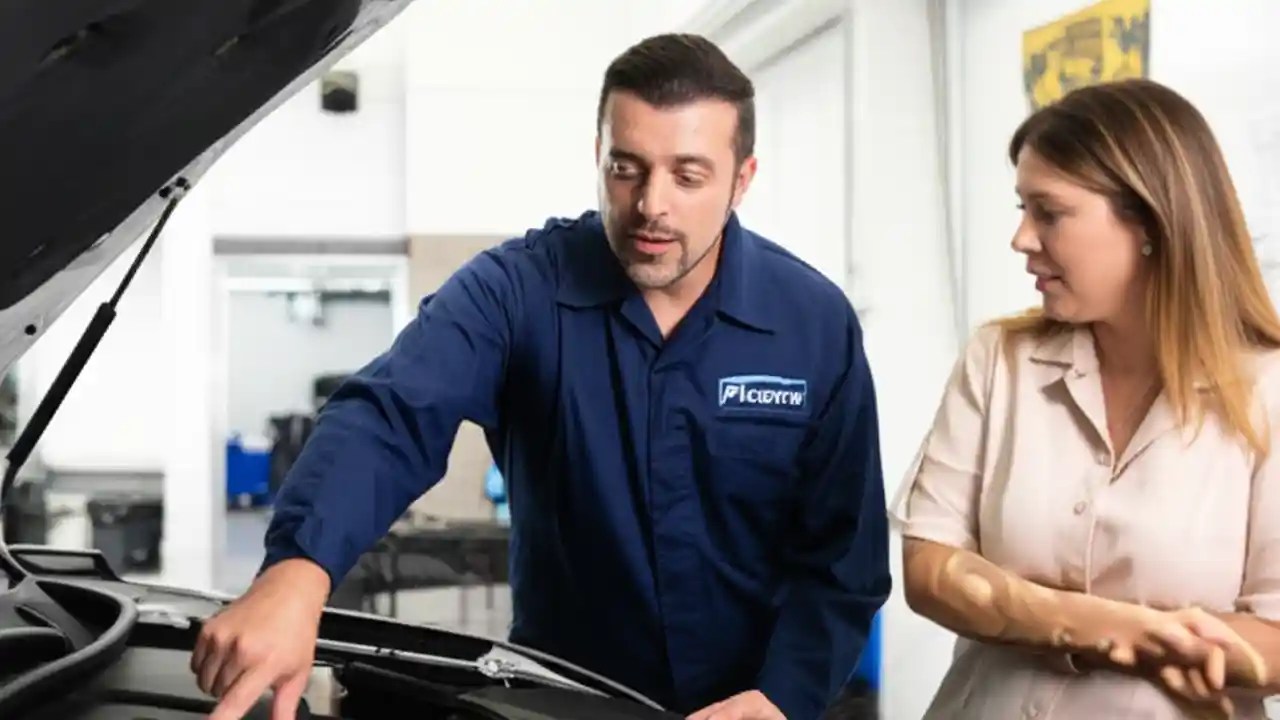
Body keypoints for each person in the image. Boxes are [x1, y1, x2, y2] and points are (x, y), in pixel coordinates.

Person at [193, 32, 890, 720]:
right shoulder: (517, 291)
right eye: (627, 168)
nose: (652, 204)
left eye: (688, 174)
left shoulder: (813, 325)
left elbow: (842, 560)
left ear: (742, 179)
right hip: (560, 704)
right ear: (598, 158)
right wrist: (298, 571)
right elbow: (392, 411)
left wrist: (781, 698)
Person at [890, 77, 1280, 719]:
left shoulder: (1263, 393)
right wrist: (1110, 627)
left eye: (1049, 212)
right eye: (1022, 208)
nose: (1021, 238)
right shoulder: (999, 361)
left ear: (1150, 220)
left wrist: (1023, 608)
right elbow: (929, 569)